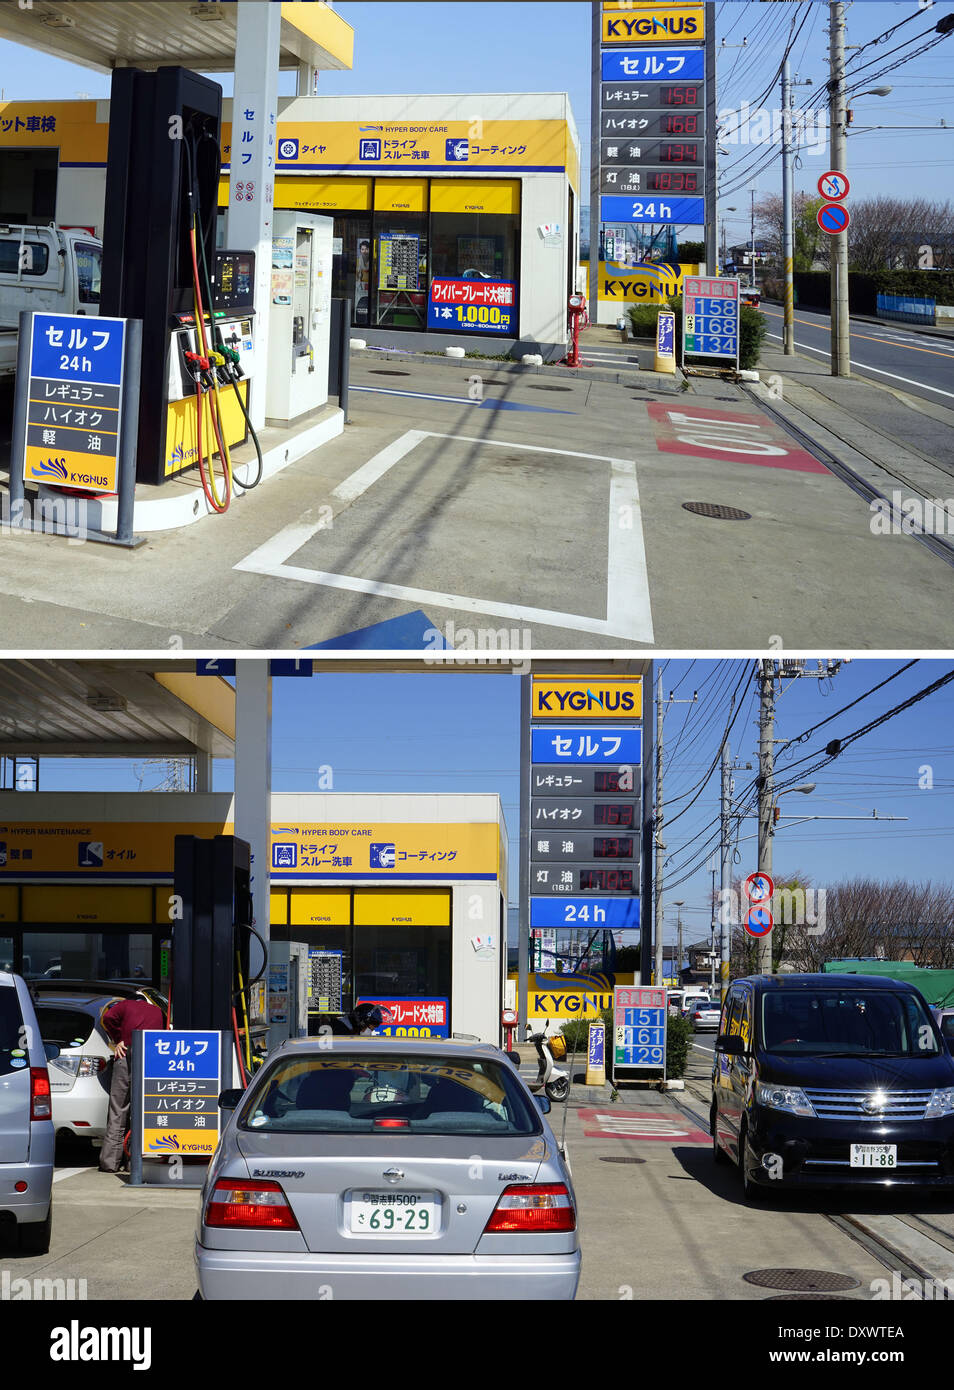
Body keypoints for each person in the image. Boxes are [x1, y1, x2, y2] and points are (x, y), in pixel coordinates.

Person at [99, 989, 165, 1174]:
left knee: (118, 1108)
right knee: (141, 1111)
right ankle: (134, 1162)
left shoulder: (124, 1005)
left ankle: (110, 1162)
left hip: (125, 1054)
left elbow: (108, 1018)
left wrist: (118, 1038)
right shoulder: (157, 1011)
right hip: (150, 1061)